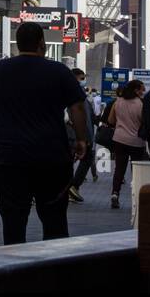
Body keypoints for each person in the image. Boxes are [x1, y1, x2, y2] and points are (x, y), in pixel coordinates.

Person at [0, 22, 88, 245]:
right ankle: (54, 273)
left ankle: (16, 273)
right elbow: (77, 107)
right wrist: (81, 139)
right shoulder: (59, 71)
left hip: (8, 157)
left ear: (18, 43)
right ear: (41, 44)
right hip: (51, 157)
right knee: (55, 221)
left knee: (13, 223)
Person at [108, 79, 147, 208]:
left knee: (119, 169)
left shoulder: (118, 102)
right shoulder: (140, 104)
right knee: (135, 171)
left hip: (119, 139)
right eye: (142, 88)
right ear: (136, 90)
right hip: (136, 142)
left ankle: (115, 194)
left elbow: (110, 120)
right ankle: (136, 197)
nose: (144, 91)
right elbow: (143, 122)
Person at [68, 68, 98, 202]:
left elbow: (90, 116)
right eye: (81, 78)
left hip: (82, 135)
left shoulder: (83, 96)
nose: (84, 81)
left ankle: (72, 188)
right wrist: (82, 138)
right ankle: (72, 187)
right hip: (76, 136)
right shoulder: (73, 95)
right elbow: (78, 116)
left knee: (80, 159)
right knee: (84, 159)